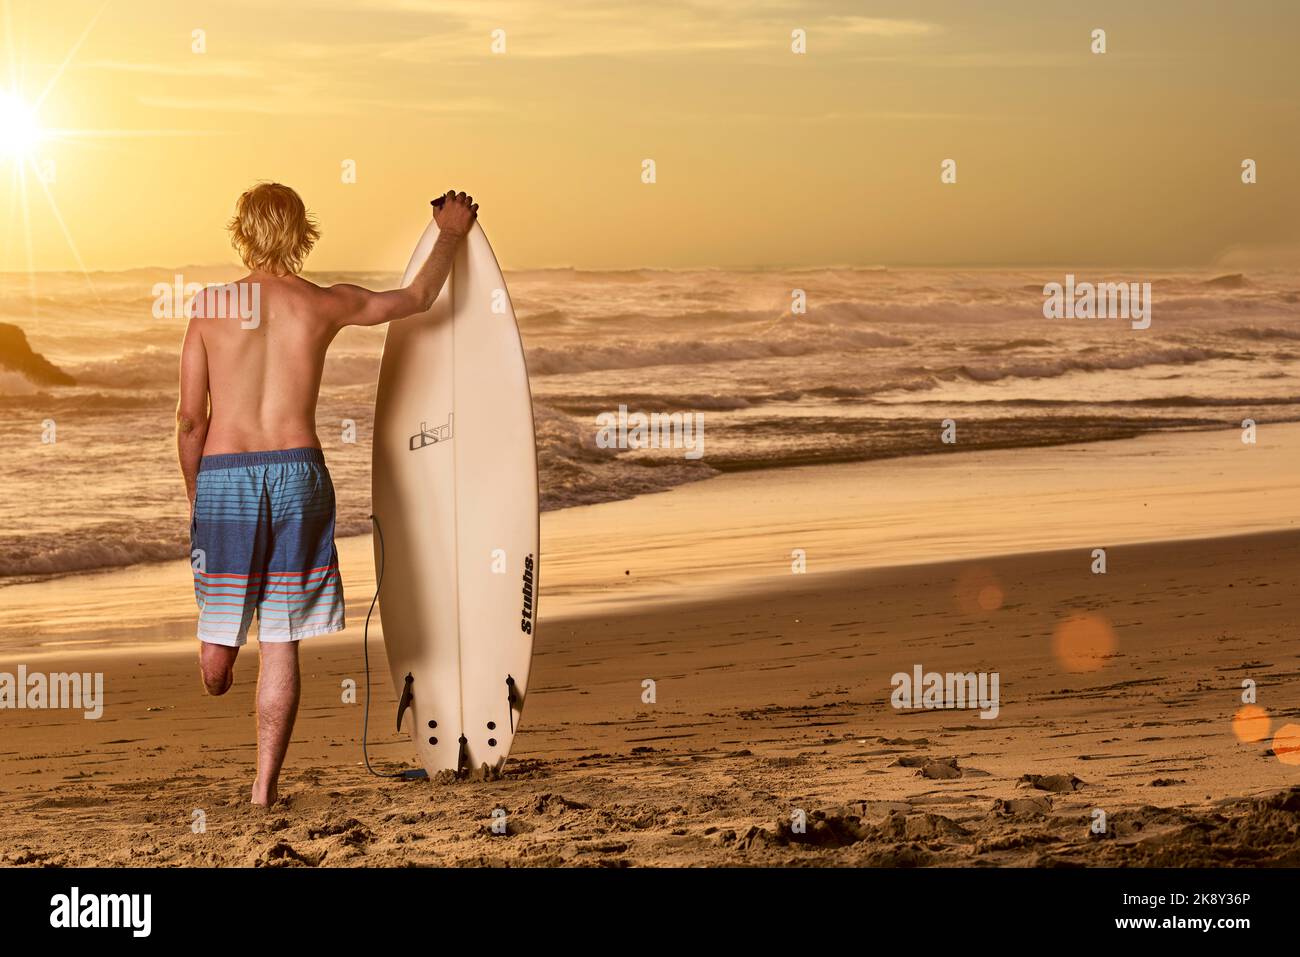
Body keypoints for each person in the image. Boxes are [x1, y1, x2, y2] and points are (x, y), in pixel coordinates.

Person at [175, 182, 478, 805]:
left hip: (225, 476)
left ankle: (218, 658)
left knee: (219, 652)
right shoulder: (323, 303)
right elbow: (418, 298)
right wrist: (450, 232)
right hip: (298, 474)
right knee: (281, 638)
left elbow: (189, 422)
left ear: (241, 231)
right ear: (302, 230)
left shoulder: (209, 306)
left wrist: (196, 498)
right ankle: (263, 789)